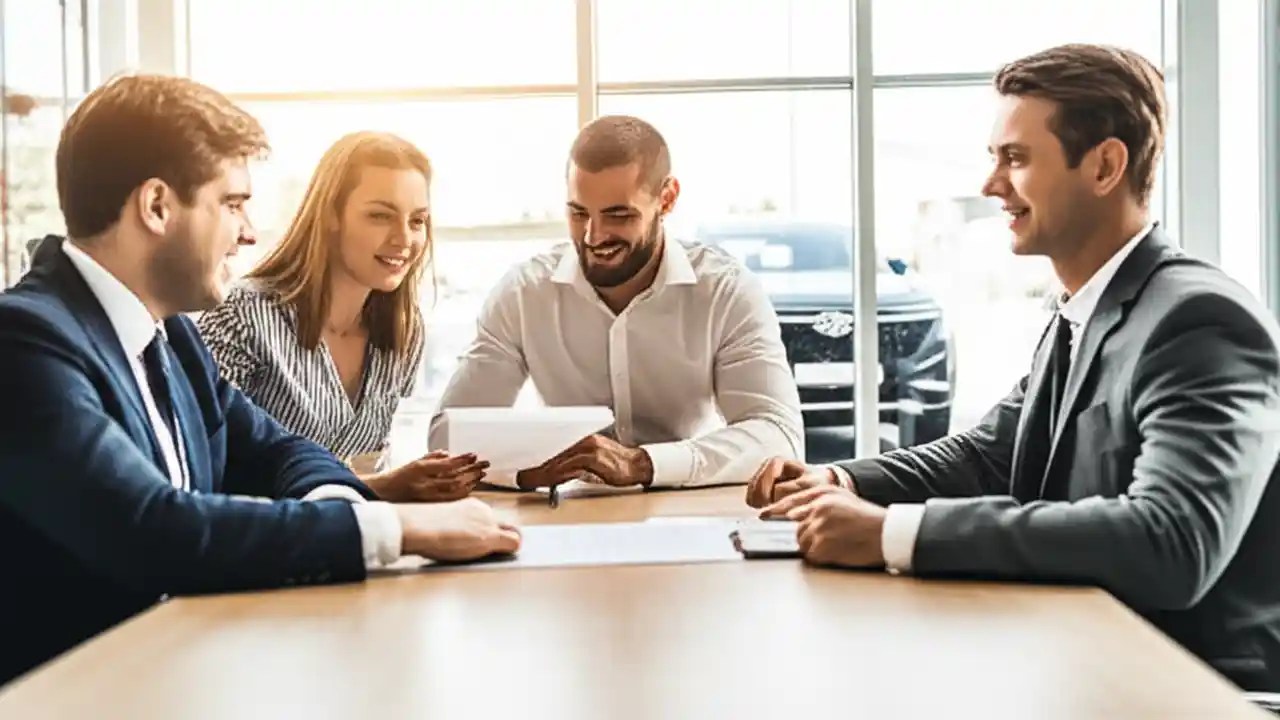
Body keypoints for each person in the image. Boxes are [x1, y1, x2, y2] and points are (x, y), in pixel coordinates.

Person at [747, 43, 1280, 692]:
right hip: (1080, 654)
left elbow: (1172, 542)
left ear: (1106, 165)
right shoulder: (1082, 309)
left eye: (1016, 158)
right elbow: (992, 453)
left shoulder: (1198, 322)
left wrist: (893, 534)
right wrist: (839, 479)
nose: (990, 184)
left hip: (1189, 687)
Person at [0, 74, 520, 686]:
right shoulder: (25, 343)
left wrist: (342, 501)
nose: (248, 231)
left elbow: (279, 451)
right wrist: (397, 527)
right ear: (158, 206)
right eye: (233, 203)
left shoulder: (171, 336)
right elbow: (151, 529)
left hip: (183, 667)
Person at [428, 115, 803, 491]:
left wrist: (644, 464)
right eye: (578, 213)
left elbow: (779, 436)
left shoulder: (727, 292)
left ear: (667, 198)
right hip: (564, 512)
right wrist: (524, 472)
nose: (594, 236)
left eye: (618, 215)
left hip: (689, 504)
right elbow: (449, 437)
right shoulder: (523, 294)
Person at [198, 131, 486, 502]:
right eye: (380, 216)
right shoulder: (242, 315)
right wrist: (379, 488)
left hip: (358, 542)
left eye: (417, 221)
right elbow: (207, 476)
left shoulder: (403, 330)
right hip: (265, 549)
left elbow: (371, 465)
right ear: (332, 215)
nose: (403, 238)